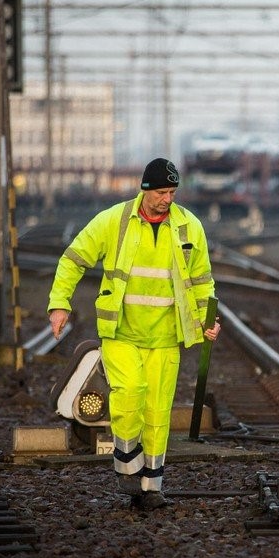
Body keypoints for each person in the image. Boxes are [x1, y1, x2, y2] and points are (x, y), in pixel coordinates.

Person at [47, 157, 221, 510]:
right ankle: (127, 461)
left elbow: (202, 281)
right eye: (160, 192)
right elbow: (74, 258)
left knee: (158, 412)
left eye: (172, 192)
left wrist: (207, 319)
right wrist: (59, 303)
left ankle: (152, 487)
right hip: (122, 332)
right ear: (144, 190)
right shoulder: (115, 221)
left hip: (166, 338)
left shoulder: (189, 226)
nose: (167, 199)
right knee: (128, 396)